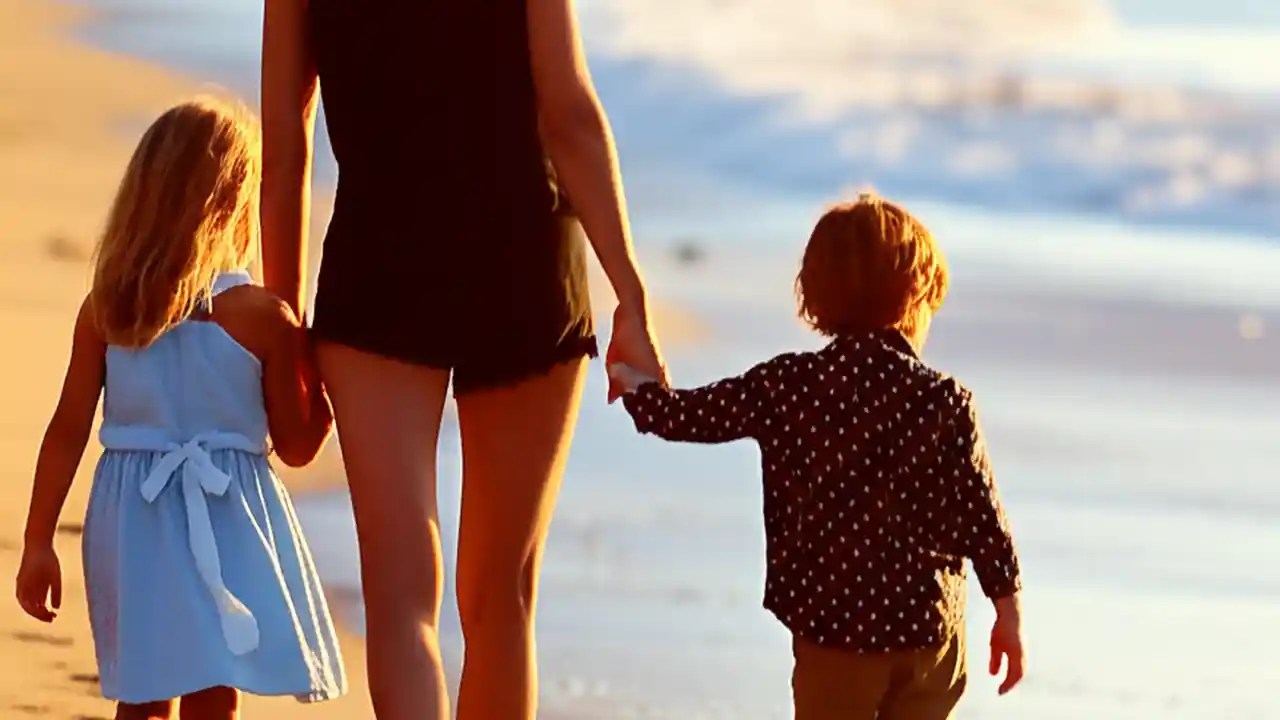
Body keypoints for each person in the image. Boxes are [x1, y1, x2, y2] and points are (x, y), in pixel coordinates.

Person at [260, 0, 667, 718]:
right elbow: (567, 113)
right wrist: (629, 295)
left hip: (379, 269)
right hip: (523, 264)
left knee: (399, 594)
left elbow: (286, 133)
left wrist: (282, 323)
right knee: (501, 598)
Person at [610, 195, 1026, 720]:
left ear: (817, 298)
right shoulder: (944, 401)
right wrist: (1007, 612)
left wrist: (635, 387)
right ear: (916, 298)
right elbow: (982, 517)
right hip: (926, 633)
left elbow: (689, 418)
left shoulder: (788, 385)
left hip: (833, 634)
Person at [15, 98, 345, 720]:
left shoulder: (109, 311)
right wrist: (324, 395)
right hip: (228, 513)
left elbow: (67, 430)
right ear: (232, 206)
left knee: (141, 689)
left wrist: (39, 540)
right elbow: (297, 448)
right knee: (215, 688)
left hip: (129, 517)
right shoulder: (263, 319)